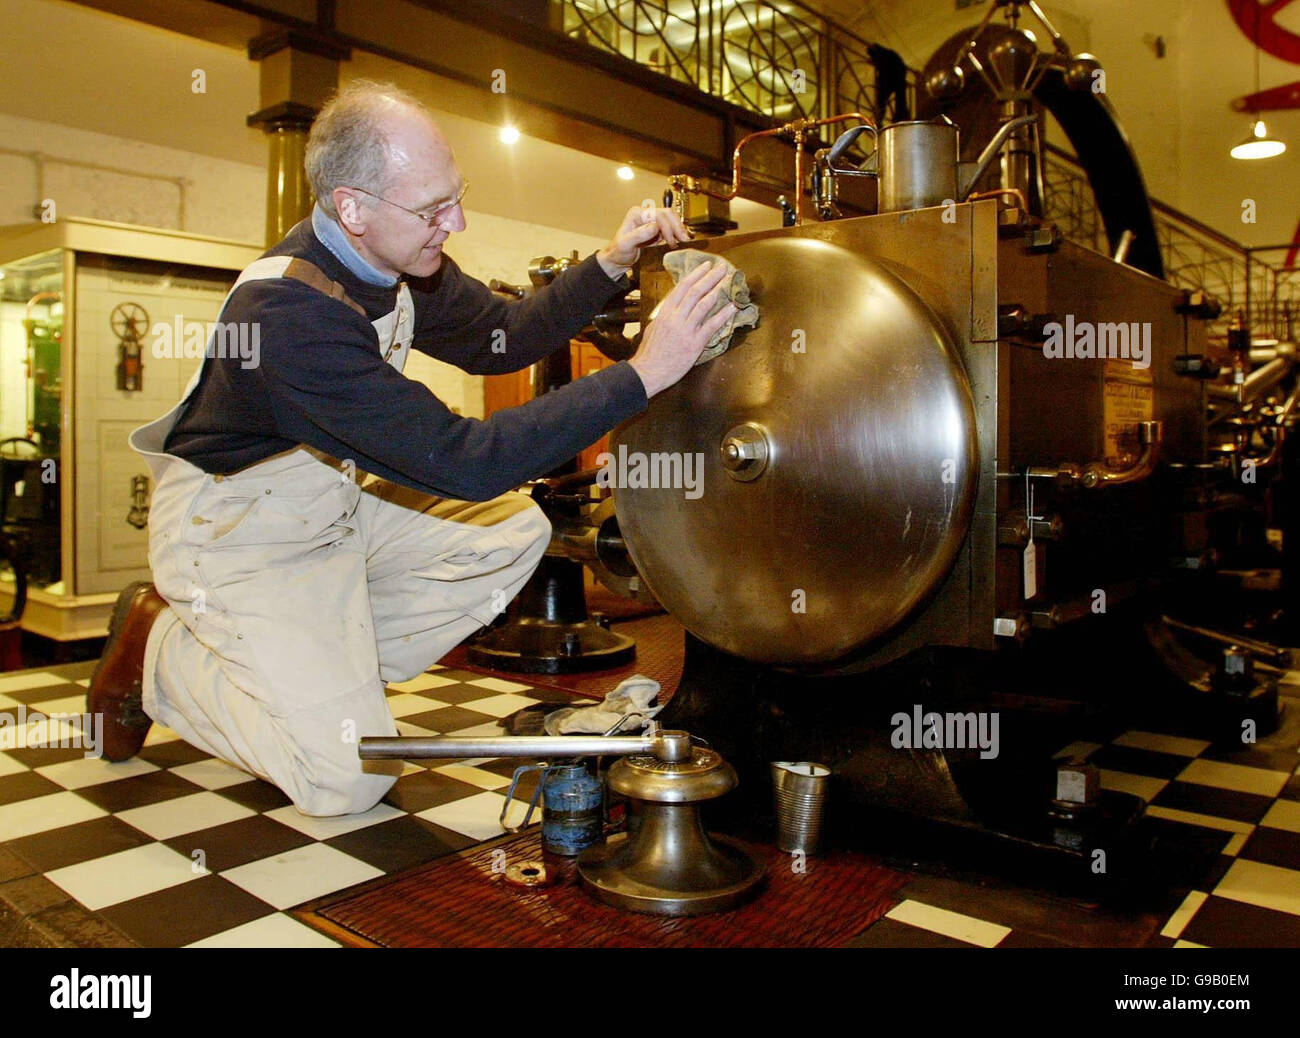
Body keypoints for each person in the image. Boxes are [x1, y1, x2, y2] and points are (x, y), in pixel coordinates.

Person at [88, 80, 735, 816]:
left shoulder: (397, 264)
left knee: (515, 530)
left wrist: (611, 263)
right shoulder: (287, 317)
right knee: (348, 781)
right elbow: (464, 460)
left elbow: (506, 337)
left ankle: (325, 671)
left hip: (333, 510)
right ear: (352, 207)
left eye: (455, 196)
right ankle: (158, 648)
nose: (454, 222)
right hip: (239, 538)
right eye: (433, 208)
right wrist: (645, 372)